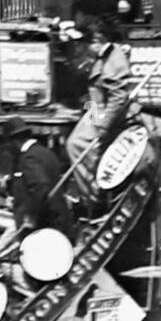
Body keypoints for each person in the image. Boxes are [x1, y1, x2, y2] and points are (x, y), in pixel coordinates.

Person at [64, 19, 132, 200]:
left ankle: (91, 193)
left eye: (85, 44)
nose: (83, 48)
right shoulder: (102, 57)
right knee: (74, 139)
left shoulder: (113, 62)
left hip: (104, 114)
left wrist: (103, 126)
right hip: (94, 108)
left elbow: (117, 100)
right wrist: (85, 109)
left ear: (96, 41)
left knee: (76, 144)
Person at [11, 131, 74, 240]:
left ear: (14, 141)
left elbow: (40, 186)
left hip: (43, 225)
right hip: (58, 221)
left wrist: (31, 215)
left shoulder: (29, 157)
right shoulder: (48, 154)